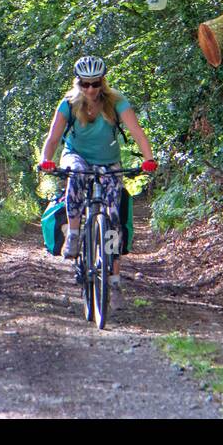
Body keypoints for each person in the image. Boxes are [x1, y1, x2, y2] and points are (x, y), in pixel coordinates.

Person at [39, 55, 157, 308]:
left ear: (103, 82)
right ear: (78, 83)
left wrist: (149, 158)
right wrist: (46, 159)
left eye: (95, 83)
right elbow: (53, 138)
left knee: (113, 216)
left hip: (108, 160)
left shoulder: (117, 102)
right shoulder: (68, 104)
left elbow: (136, 131)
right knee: (76, 178)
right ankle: (73, 234)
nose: (91, 89)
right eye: (85, 84)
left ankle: (113, 279)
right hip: (77, 155)